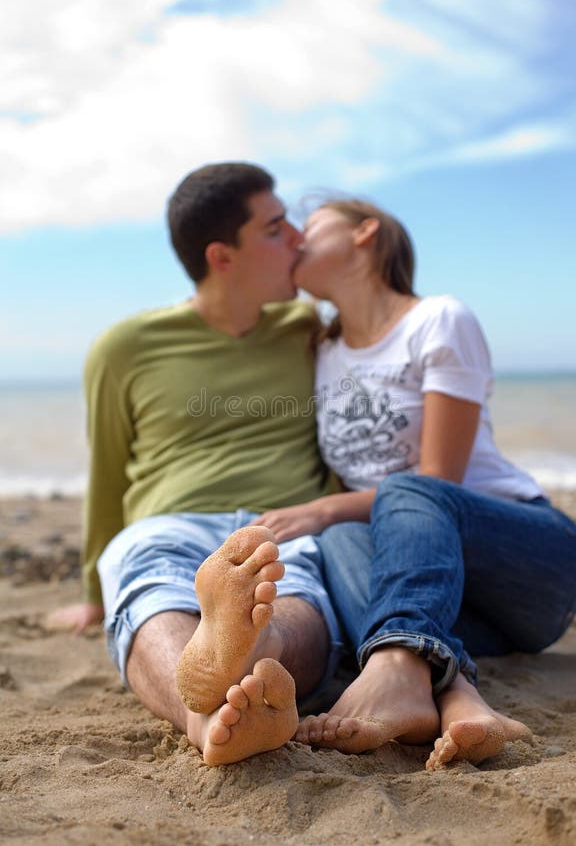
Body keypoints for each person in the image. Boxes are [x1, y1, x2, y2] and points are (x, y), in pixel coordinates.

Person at [255, 198, 576, 769]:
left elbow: (437, 478)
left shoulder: (438, 319)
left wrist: (324, 507)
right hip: (450, 601)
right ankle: (454, 693)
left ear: (365, 232)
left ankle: (392, 666)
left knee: (400, 491)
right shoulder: (324, 351)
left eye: (310, 226)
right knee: (341, 542)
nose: (296, 239)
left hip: (529, 564)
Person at [50, 162, 343, 766]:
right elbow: (108, 470)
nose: (298, 238)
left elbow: (349, 435)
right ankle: (207, 710)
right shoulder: (125, 348)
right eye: (275, 228)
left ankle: (237, 668)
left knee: (303, 599)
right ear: (222, 256)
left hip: (278, 521)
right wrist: (93, 593)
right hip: (170, 520)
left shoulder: (309, 332)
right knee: (150, 583)